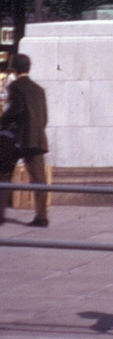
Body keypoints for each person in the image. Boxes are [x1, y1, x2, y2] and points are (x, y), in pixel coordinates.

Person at [0, 53, 48, 227]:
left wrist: (3, 120)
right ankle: (42, 216)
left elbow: (16, 110)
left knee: (4, 173)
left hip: (18, 138)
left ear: (14, 69)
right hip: (36, 137)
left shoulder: (16, 86)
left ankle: (0, 214)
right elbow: (44, 117)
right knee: (39, 180)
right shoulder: (39, 89)